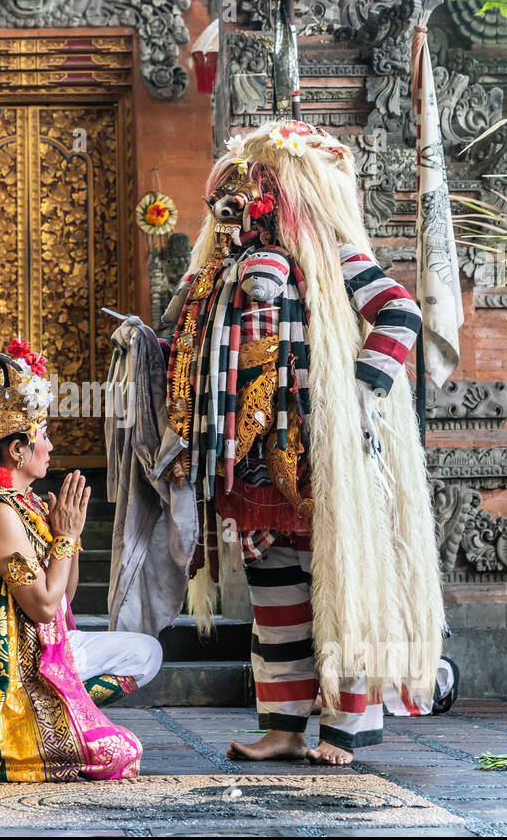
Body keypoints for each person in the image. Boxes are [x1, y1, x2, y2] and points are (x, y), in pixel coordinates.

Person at [162, 120, 446, 766]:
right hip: (261, 468)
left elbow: (399, 314)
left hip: (331, 464)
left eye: (261, 189)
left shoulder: (337, 257)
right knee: (275, 598)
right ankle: (284, 726)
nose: (247, 205)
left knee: (342, 585)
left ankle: (344, 730)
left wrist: (358, 398)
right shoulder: (227, 270)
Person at [0, 340, 157, 781]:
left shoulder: (24, 504)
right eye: (42, 436)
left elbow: (64, 597)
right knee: (122, 752)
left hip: (43, 649)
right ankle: (36, 716)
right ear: (18, 451)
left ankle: (63, 704)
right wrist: (62, 537)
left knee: (146, 653)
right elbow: (42, 607)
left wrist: (71, 535)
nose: (50, 446)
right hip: (4, 674)